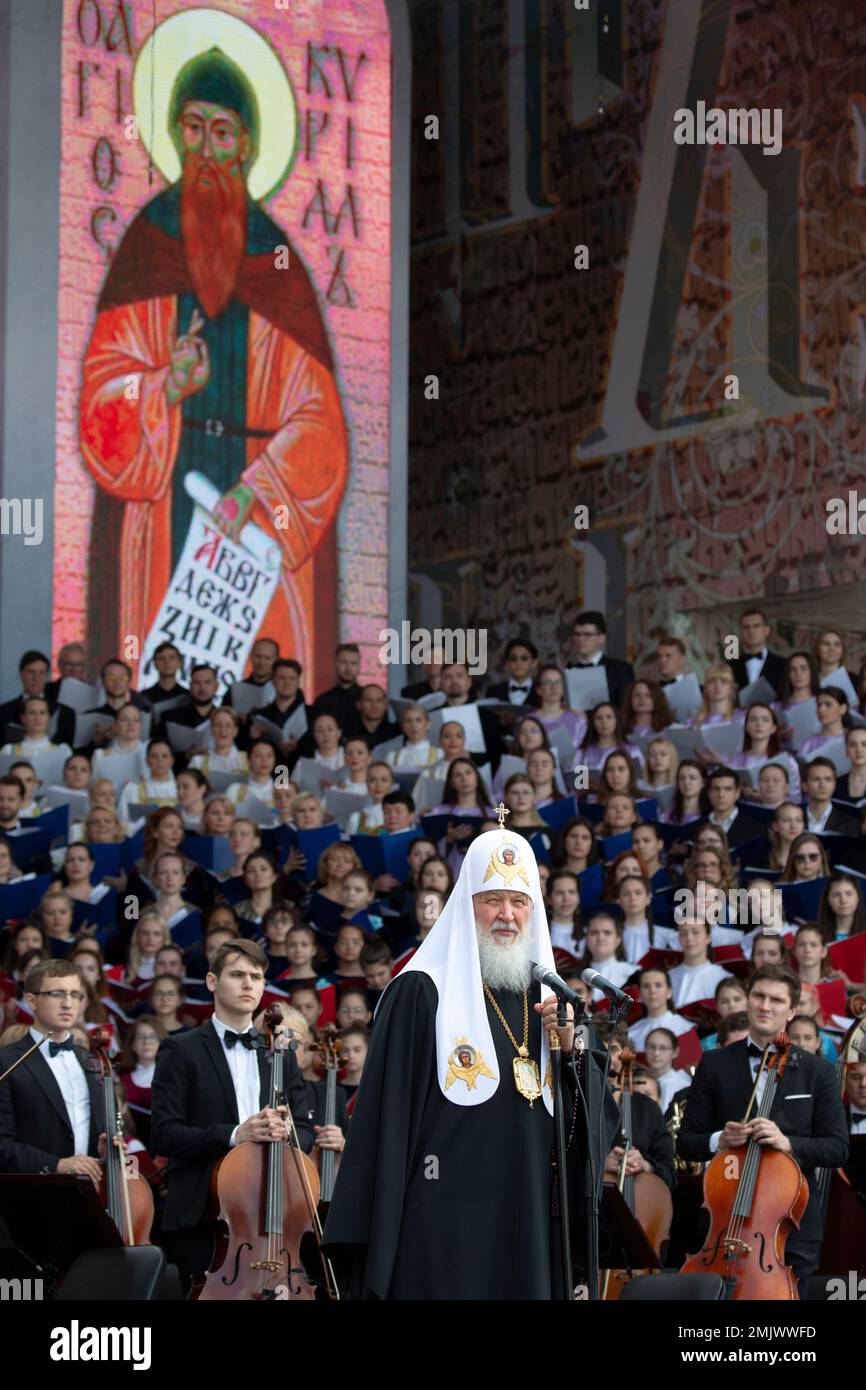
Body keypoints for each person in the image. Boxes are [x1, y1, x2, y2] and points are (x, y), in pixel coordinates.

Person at [322, 827, 619, 1299]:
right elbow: (387, 1118)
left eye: (519, 902)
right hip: (442, 1222)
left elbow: (596, 1116)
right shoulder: (421, 990)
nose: (507, 915)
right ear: (465, 904)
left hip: (529, 1218)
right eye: (492, 900)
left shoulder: (551, 999)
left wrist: (572, 1053)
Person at [150, 938, 315, 1287]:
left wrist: (289, 1131)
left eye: (256, 977)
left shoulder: (280, 1053)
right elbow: (164, 1135)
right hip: (204, 1215)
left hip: (271, 1208)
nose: (248, 984)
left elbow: (305, 1128)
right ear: (212, 981)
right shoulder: (180, 1049)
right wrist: (235, 1134)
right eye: (237, 975)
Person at [677, 964, 849, 1293]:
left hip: (791, 1227)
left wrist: (788, 1143)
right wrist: (719, 1139)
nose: (765, 1006)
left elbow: (838, 1147)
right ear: (748, 999)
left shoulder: (818, 1071)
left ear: (793, 1010)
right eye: (758, 996)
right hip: (724, 1223)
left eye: (776, 999)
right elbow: (686, 1142)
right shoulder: (714, 1063)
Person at [0, 960, 106, 1177]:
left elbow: (102, 1130)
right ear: (31, 1001)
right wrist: (57, 1164)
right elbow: (2, 1144)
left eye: (75, 995)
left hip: (92, 1189)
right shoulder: (6, 1060)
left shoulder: (92, 1060)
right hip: (33, 1191)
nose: (68, 1003)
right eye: (57, 994)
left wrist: (107, 1151)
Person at [567, 611, 635, 708]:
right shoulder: (568, 670)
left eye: (587, 634)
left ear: (601, 638)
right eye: (577, 634)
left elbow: (627, 708)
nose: (580, 639)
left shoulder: (621, 669)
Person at [725, 609, 787, 693]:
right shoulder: (729, 667)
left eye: (756, 626)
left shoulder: (784, 665)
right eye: (746, 627)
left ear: (767, 630)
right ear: (740, 632)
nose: (751, 630)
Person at [705, 767, 765, 848]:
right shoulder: (694, 828)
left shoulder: (756, 830)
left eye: (727, 789)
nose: (721, 795)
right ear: (709, 793)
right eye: (716, 789)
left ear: (737, 793)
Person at [802, 757, 859, 835]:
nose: (822, 785)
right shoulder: (794, 819)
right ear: (804, 785)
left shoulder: (849, 823)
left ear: (834, 785)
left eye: (828, 779)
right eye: (816, 779)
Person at [485, 638, 540, 707]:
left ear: (534, 663)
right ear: (507, 663)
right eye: (513, 658)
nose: (518, 662)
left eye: (524, 658)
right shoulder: (493, 691)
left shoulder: (543, 692)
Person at [141, 641, 188, 710]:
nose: (166, 662)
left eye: (171, 658)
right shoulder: (144, 697)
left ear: (179, 663)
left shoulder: (188, 697)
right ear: (154, 664)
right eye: (161, 658)